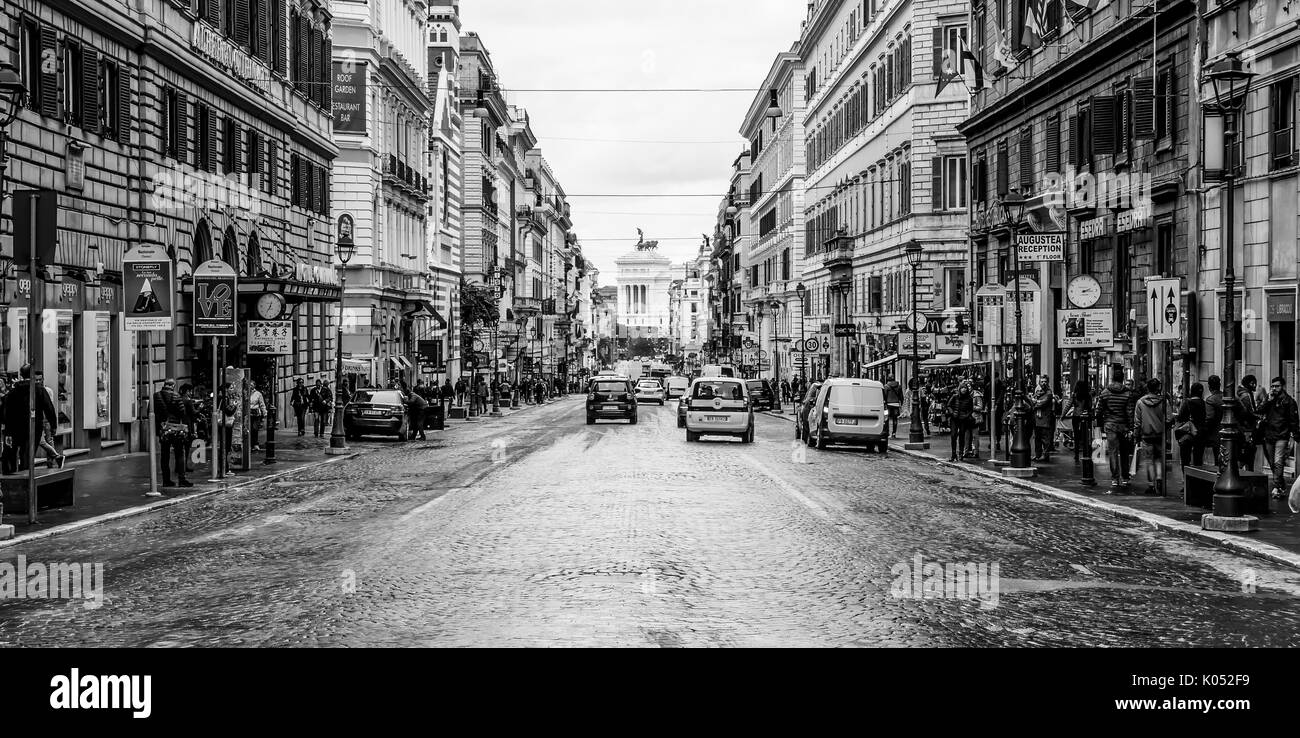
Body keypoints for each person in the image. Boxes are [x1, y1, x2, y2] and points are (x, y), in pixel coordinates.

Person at [1, 364, 61, 475]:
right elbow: (49, 408)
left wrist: (7, 429)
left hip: (15, 427)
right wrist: (53, 426)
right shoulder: (39, 390)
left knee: (13, 451)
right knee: (28, 452)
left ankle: (13, 474)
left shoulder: (13, 392)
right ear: (32, 375)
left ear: (22, 375)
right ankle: (26, 475)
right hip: (33, 426)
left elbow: (6, 412)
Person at [1253, 376, 1300, 499]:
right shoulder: (1269, 400)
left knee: (1278, 462)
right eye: (1272, 386)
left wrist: (1295, 435)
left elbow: (1294, 420)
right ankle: (1281, 484)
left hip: (1282, 436)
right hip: (1269, 435)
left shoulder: (1289, 401)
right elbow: (1258, 411)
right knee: (1272, 463)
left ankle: (1277, 487)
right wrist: (1267, 400)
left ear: (1283, 387)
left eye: (1277, 386)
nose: (1274, 388)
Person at [1096, 368, 1134, 492]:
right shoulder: (1127, 393)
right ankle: (1125, 477)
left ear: (1112, 378)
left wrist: (1100, 424)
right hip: (1123, 425)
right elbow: (1129, 412)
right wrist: (1130, 426)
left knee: (1113, 451)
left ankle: (1114, 478)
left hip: (1110, 424)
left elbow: (1099, 410)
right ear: (1122, 378)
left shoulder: (1105, 392)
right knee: (1124, 451)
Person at [153, 378, 194, 489]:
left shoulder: (156, 396)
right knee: (179, 453)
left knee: (164, 455)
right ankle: (182, 479)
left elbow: (151, 412)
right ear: (173, 386)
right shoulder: (176, 396)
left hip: (163, 429)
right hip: (176, 429)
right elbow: (182, 412)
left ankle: (166, 480)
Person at [1133, 378, 1171, 495]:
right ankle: (1159, 478)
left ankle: (1151, 485)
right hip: (1160, 435)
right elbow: (1169, 418)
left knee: (1149, 460)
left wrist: (1136, 436)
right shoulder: (1164, 402)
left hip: (1146, 435)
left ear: (1148, 388)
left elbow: (1137, 422)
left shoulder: (1140, 402)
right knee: (1159, 459)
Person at [1174, 382, 1208, 472]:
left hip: (1187, 434)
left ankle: (1186, 479)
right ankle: (1197, 479)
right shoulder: (1204, 404)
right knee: (1198, 459)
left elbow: (1180, 417)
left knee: (1185, 459)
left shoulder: (1187, 402)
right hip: (1200, 434)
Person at [946, 380, 977, 462]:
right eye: (962, 388)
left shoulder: (969, 398)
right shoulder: (955, 396)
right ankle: (953, 454)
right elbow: (948, 405)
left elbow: (971, 409)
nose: (964, 390)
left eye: (965, 388)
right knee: (953, 435)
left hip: (963, 419)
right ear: (960, 389)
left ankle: (960, 454)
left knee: (962, 436)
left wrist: (966, 416)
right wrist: (952, 413)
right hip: (955, 418)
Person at [1237, 375, 1261, 471]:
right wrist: (1258, 417)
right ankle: (1248, 475)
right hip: (1247, 429)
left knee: (1246, 452)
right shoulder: (1246, 395)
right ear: (1250, 383)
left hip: (1243, 428)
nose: (1255, 385)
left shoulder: (1242, 394)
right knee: (1249, 452)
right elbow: (1249, 411)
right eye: (1253, 383)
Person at [1064, 379, 1092, 464]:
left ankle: (1076, 455)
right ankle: (1086, 454)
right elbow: (1090, 406)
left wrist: (1063, 415)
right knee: (1085, 436)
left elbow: (1068, 405)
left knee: (1076, 436)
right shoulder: (1088, 395)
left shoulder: (1074, 395)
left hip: (1076, 416)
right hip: (1085, 417)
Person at [1031, 375, 1057, 463]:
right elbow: (1032, 401)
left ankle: (1045, 455)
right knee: (1037, 438)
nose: (1043, 383)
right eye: (1042, 381)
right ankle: (1038, 455)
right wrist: (1034, 401)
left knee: (1045, 438)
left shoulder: (1049, 393)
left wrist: (1035, 402)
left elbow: (1042, 403)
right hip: (1037, 418)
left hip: (1045, 418)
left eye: (1045, 381)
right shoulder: (1038, 392)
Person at [1204, 375, 1225, 467]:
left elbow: (1209, 418)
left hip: (1217, 434)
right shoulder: (1227, 397)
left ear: (1209, 386)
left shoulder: (1210, 400)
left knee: (1218, 460)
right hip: (1231, 433)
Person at [883, 374, 904, 439]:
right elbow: (901, 396)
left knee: (886, 419)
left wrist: (885, 403)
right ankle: (894, 433)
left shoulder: (886, 386)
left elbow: (885, 396)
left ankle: (887, 432)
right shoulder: (899, 386)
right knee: (895, 419)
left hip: (888, 405)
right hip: (896, 404)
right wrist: (901, 403)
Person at [248, 381, 267, 452]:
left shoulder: (258, 394)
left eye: (251, 385)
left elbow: (262, 404)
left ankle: (255, 444)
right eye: (249, 385)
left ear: (254, 386)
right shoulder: (246, 393)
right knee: (248, 429)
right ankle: (249, 444)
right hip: (248, 413)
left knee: (254, 429)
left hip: (256, 413)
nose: (250, 386)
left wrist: (264, 412)